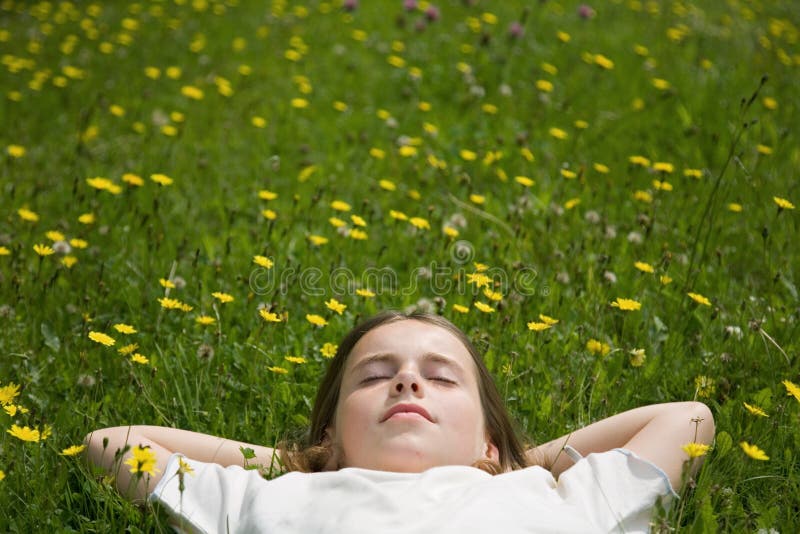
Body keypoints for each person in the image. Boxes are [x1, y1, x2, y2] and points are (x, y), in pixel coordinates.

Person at [84, 310, 714, 533]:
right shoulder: (269, 500)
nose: (408, 381)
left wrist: (518, 460)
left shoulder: (552, 498)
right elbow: (114, 443)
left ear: (488, 440)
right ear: (329, 435)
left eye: (442, 377)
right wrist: (301, 464)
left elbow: (688, 418)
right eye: (372, 377)